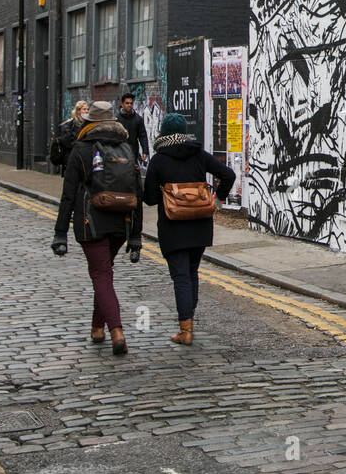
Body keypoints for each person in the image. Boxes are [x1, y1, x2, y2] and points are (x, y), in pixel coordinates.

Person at [52, 102, 143, 355]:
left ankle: (117, 331)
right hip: (122, 222)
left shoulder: (81, 149)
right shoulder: (127, 147)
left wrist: (60, 233)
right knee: (104, 272)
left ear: (89, 123)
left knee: (101, 275)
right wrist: (135, 236)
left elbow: (68, 195)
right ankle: (97, 329)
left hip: (90, 223)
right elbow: (137, 192)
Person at [141, 113, 235, 345]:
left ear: (163, 132)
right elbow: (228, 174)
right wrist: (217, 199)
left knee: (181, 277)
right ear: (184, 132)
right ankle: (188, 322)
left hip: (173, 227)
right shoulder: (198, 154)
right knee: (192, 273)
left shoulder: (159, 159)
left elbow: (150, 199)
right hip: (200, 225)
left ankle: (186, 331)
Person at [51, 101, 90, 177]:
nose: (87, 111)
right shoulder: (69, 125)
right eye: (84, 109)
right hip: (72, 160)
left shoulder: (89, 125)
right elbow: (67, 142)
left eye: (87, 109)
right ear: (78, 111)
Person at [117, 94, 150, 166]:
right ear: (122, 104)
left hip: (133, 152)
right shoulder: (117, 119)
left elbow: (142, 135)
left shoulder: (138, 119)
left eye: (131, 103)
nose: (129, 105)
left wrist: (145, 151)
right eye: (127, 103)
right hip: (119, 152)